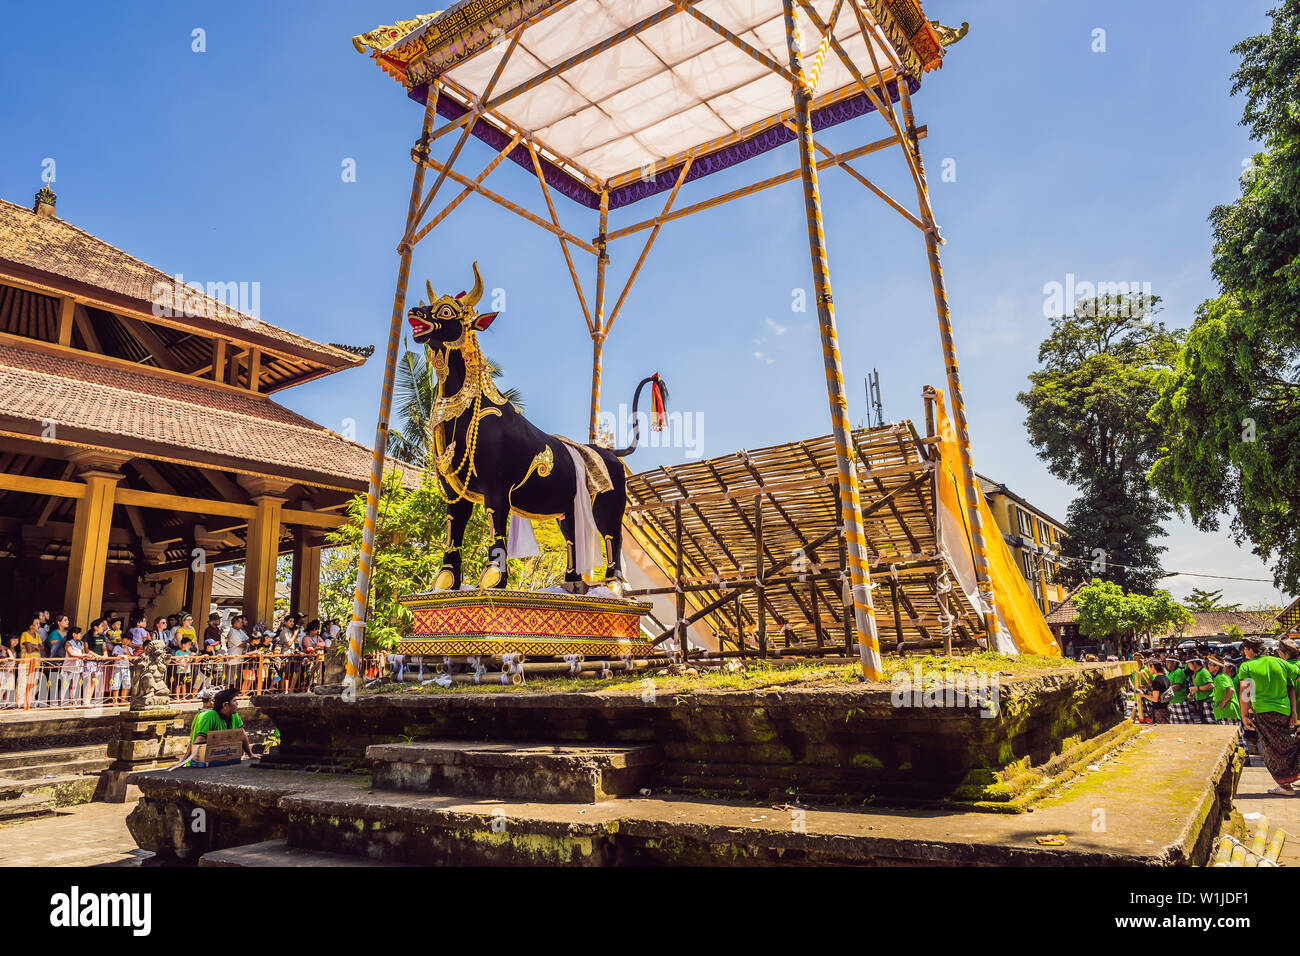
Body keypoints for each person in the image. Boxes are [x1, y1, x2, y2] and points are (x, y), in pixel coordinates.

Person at [1238, 636, 1300, 795]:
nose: (1244, 652)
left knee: (1271, 751)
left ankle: (1286, 786)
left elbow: (1245, 693)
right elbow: (1294, 680)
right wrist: (1294, 711)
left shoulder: (1247, 666)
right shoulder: (1280, 662)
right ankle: (1289, 781)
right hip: (1284, 711)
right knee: (1290, 745)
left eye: (1245, 649)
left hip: (1264, 713)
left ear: (1251, 650)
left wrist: (1244, 715)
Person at [184, 687, 256, 766]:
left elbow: (242, 734)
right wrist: (183, 762)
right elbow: (199, 739)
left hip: (223, 759)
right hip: (203, 762)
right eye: (235, 701)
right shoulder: (209, 716)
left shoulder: (235, 715)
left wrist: (250, 754)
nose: (237, 703)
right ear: (225, 705)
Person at [1208, 655, 1240, 726]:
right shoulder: (1223, 676)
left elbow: (1230, 690)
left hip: (1226, 712)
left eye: (1210, 664)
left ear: (1217, 667)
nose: (1208, 666)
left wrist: (1223, 702)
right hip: (1226, 713)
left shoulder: (1220, 677)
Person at [1185, 657, 1214, 724]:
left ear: (1194, 663)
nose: (1188, 666)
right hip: (1201, 701)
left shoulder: (1203, 672)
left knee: (1210, 723)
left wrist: (1197, 688)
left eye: (1189, 664)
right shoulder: (1198, 672)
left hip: (1206, 701)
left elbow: (1210, 685)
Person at [0, 633, 17, 708]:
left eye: (16, 640)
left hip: (11, 671)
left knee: (9, 688)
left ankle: (5, 704)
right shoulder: (5, 649)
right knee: (2, 688)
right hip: (4, 671)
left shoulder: (14, 649)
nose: (15, 642)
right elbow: (4, 659)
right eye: (13, 640)